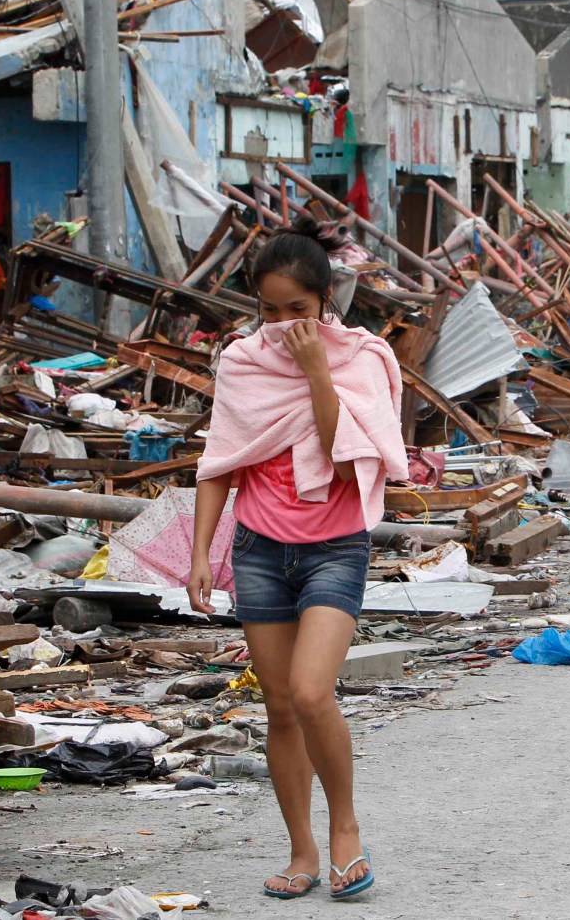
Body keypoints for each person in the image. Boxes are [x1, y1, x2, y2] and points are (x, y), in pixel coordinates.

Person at [188, 217, 406, 902]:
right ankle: (301, 850)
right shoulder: (242, 362)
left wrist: (316, 371)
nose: (284, 325)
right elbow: (222, 460)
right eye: (271, 311)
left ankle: (345, 830)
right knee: (280, 708)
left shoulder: (359, 360)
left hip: (333, 547)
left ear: (326, 303)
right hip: (258, 549)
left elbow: (347, 462)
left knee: (314, 693)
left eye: (300, 311)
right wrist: (202, 552)